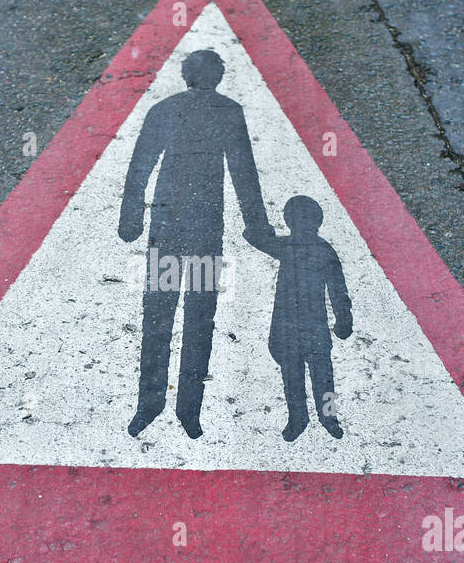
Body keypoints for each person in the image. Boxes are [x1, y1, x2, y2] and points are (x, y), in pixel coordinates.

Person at [119, 48, 270, 438]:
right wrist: (256, 225)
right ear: (215, 76)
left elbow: (140, 166)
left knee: (164, 315)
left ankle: (163, 406)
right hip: (193, 224)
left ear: (187, 75)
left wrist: (130, 219)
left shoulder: (172, 108)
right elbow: (243, 171)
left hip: (177, 224)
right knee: (195, 317)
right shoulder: (221, 110)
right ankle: (179, 409)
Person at [244, 195, 353, 442]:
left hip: (308, 326)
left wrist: (344, 319)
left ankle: (326, 418)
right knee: (300, 377)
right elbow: (257, 239)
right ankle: (301, 419)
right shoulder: (303, 247)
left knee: (318, 377)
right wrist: (343, 319)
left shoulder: (314, 250)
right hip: (294, 326)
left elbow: (338, 290)